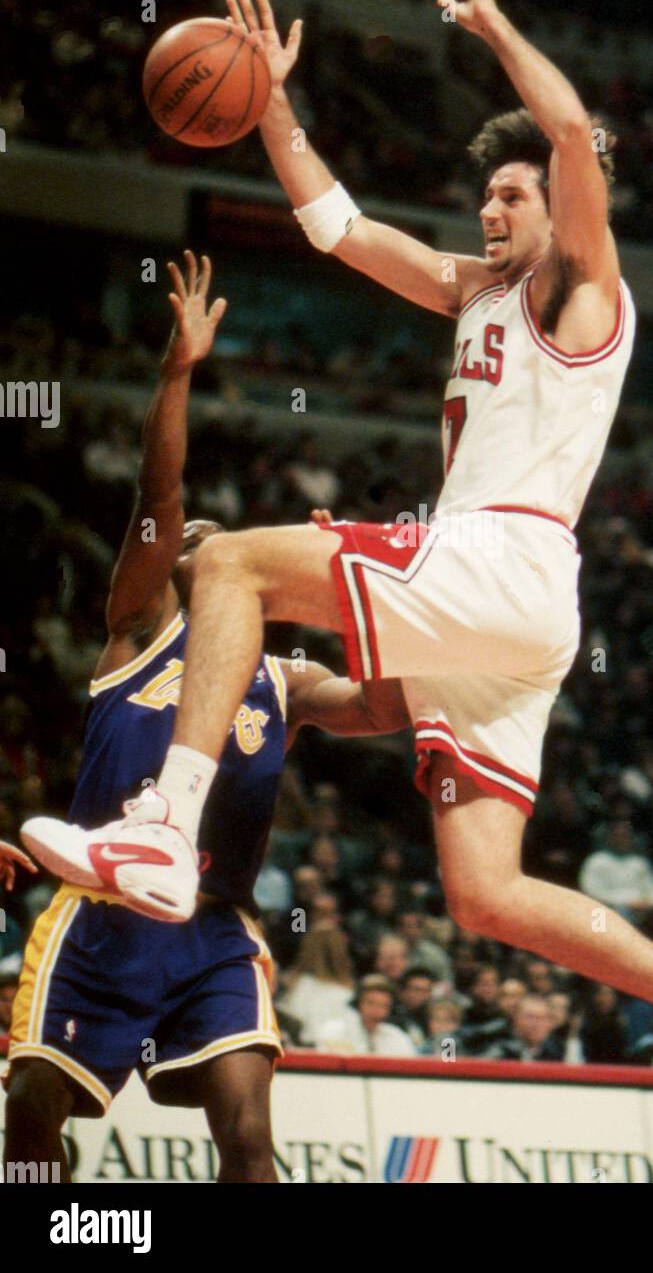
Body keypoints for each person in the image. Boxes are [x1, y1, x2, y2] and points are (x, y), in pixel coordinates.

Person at [24, 0, 653, 1180]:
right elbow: (334, 227)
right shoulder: (472, 292)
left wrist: (497, 24)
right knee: (483, 895)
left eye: (511, 197)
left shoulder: (583, 294)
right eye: (488, 201)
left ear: (555, 204)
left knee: (227, 563)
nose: (492, 213)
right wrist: (274, 102)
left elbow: (568, 134)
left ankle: (163, 830)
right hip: (508, 616)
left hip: (501, 557)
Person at [4, 255, 408, 1183]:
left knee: (251, 1142)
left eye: (216, 537)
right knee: (30, 1122)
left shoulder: (284, 677)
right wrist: (177, 371)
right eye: (191, 540)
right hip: (100, 917)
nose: (200, 537)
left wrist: (352, 593)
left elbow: (385, 706)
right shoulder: (137, 630)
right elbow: (158, 501)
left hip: (213, 928)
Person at [316, 975, 417, 1058]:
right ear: (358, 1003)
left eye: (383, 1005)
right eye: (371, 1003)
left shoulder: (398, 1037)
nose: (377, 1011)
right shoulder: (334, 1031)